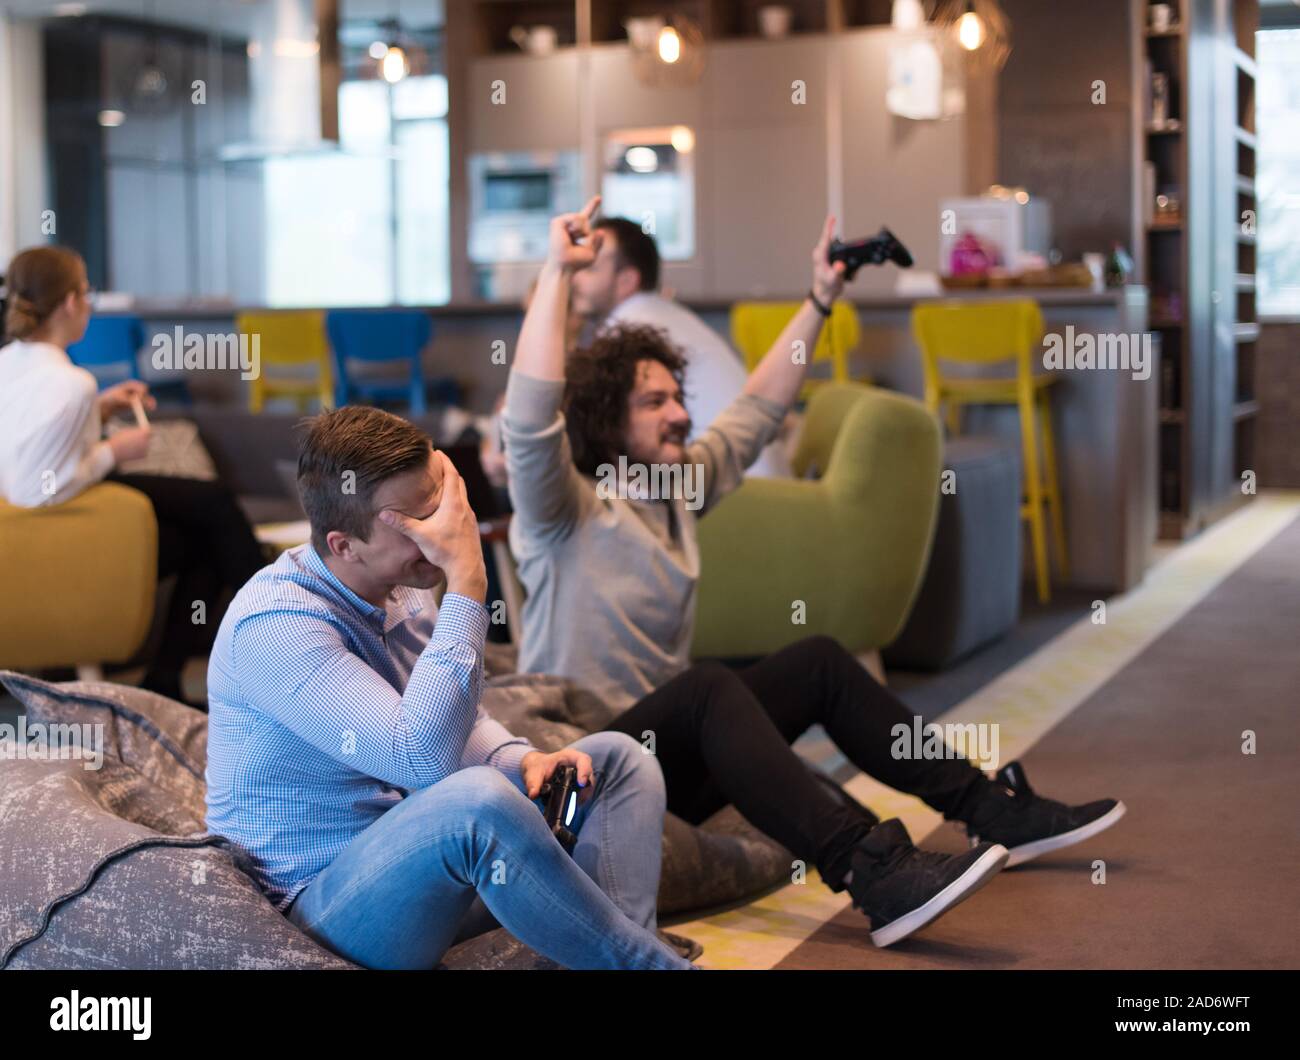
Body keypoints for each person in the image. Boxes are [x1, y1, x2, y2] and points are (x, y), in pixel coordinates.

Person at [501, 197, 1126, 948]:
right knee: (708, 689)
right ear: (608, 418)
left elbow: (756, 410)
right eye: (655, 402)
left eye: (678, 398)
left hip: (657, 772)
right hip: (581, 767)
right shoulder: (564, 509)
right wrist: (556, 274)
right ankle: (873, 870)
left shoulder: (674, 494)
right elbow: (530, 418)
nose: (679, 415)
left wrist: (820, 299)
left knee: (820, 664)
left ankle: (992, 809)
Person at [204, 405, 692, 970]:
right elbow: (422, 759)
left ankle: (626, 951)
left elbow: (463, 719)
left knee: (614, 761)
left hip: (416, 868)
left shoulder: (402, 582)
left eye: (442, 505)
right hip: (318, 910)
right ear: (344, 545)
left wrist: (520, 759)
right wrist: (468, 582)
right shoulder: (276, 627)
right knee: (475, 804)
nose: (446, 534)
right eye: (417, 523)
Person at [0, 246, 264, 704]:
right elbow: (34, 486)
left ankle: (164, 679)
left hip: (35, 537)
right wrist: (113, 449)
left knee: (207, 533)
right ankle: (277, 631)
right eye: (85, 294)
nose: (88, 304)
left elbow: (27, 442)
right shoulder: (69, 382)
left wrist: (100, 410)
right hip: (62, 528)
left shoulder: (12, 363)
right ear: (68, 303)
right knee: (217, 506)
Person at [569, 215, 792, 477]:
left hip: (733, 491)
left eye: (590, 268)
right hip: (741, 475)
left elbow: (587, 433)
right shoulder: (664, 316)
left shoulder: (630, 331)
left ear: (627, 281)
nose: (575, 279)